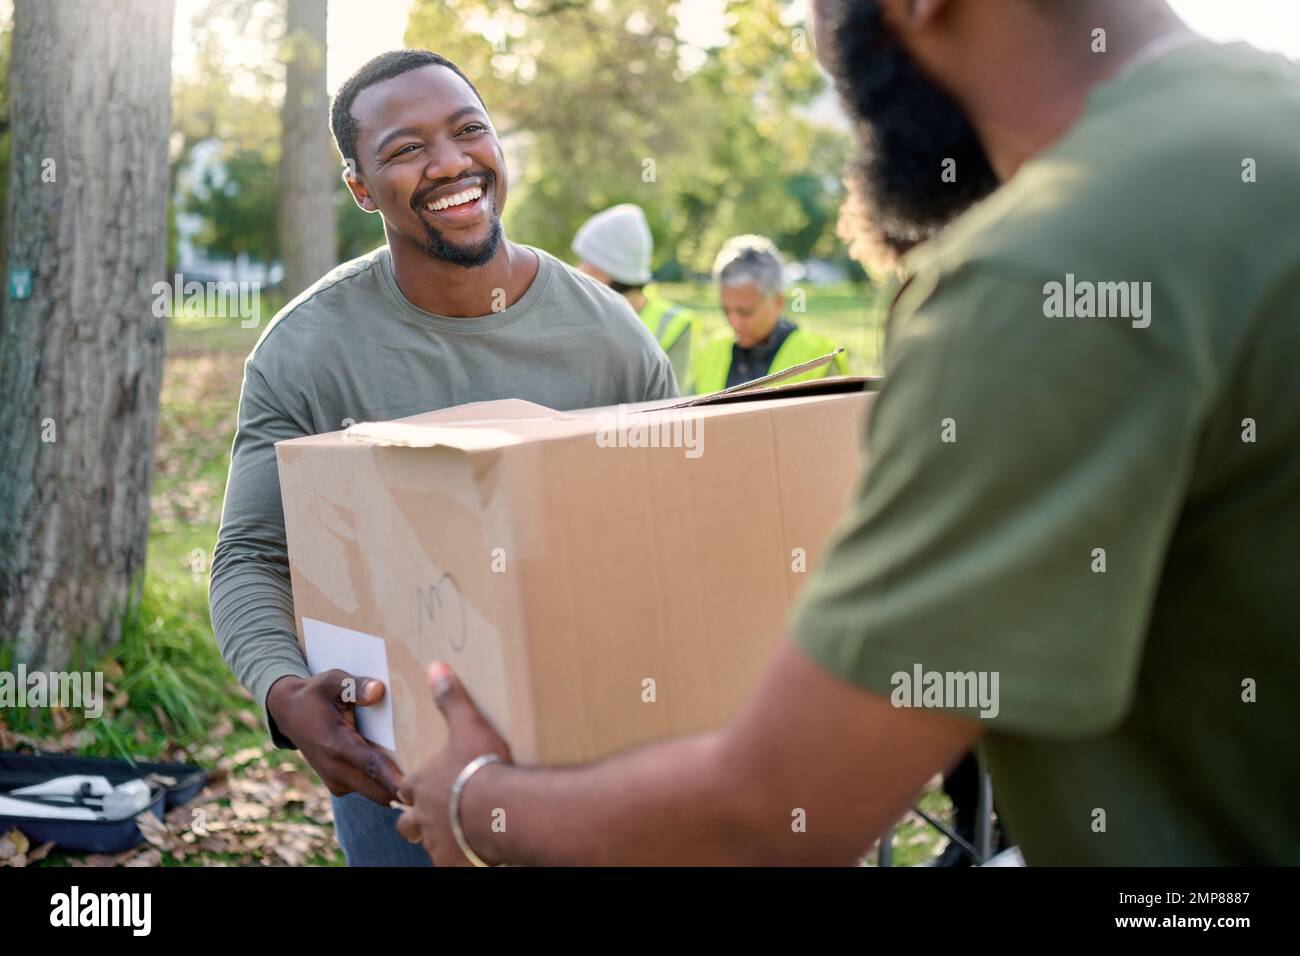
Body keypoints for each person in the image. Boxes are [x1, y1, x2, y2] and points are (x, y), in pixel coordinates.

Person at [395, 0, 1300, 865]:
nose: (823, 54)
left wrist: (480, 801)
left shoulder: (1045, 274)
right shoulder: (1262, 122)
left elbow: (779, 815)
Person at [208, 49, 676, 866]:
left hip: (593, 753)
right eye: (405, 148)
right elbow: (250, 555)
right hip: (401, 764)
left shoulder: (610, 341)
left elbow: (677, 533)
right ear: (360, 188)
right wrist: (287, 694)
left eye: (469, 131)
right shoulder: (307, 351)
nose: (451, 163)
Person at [690, 235, 848, 394]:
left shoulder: (820, 357)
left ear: (778, 302)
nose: (734, 322)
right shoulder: (713, 349)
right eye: (726, 310)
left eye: (746, 312)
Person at [572, 204, 701, 388]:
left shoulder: (675, 327)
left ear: (612, 270)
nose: (579, 269)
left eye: (587, 261)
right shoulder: (580, 312)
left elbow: (669, 406)